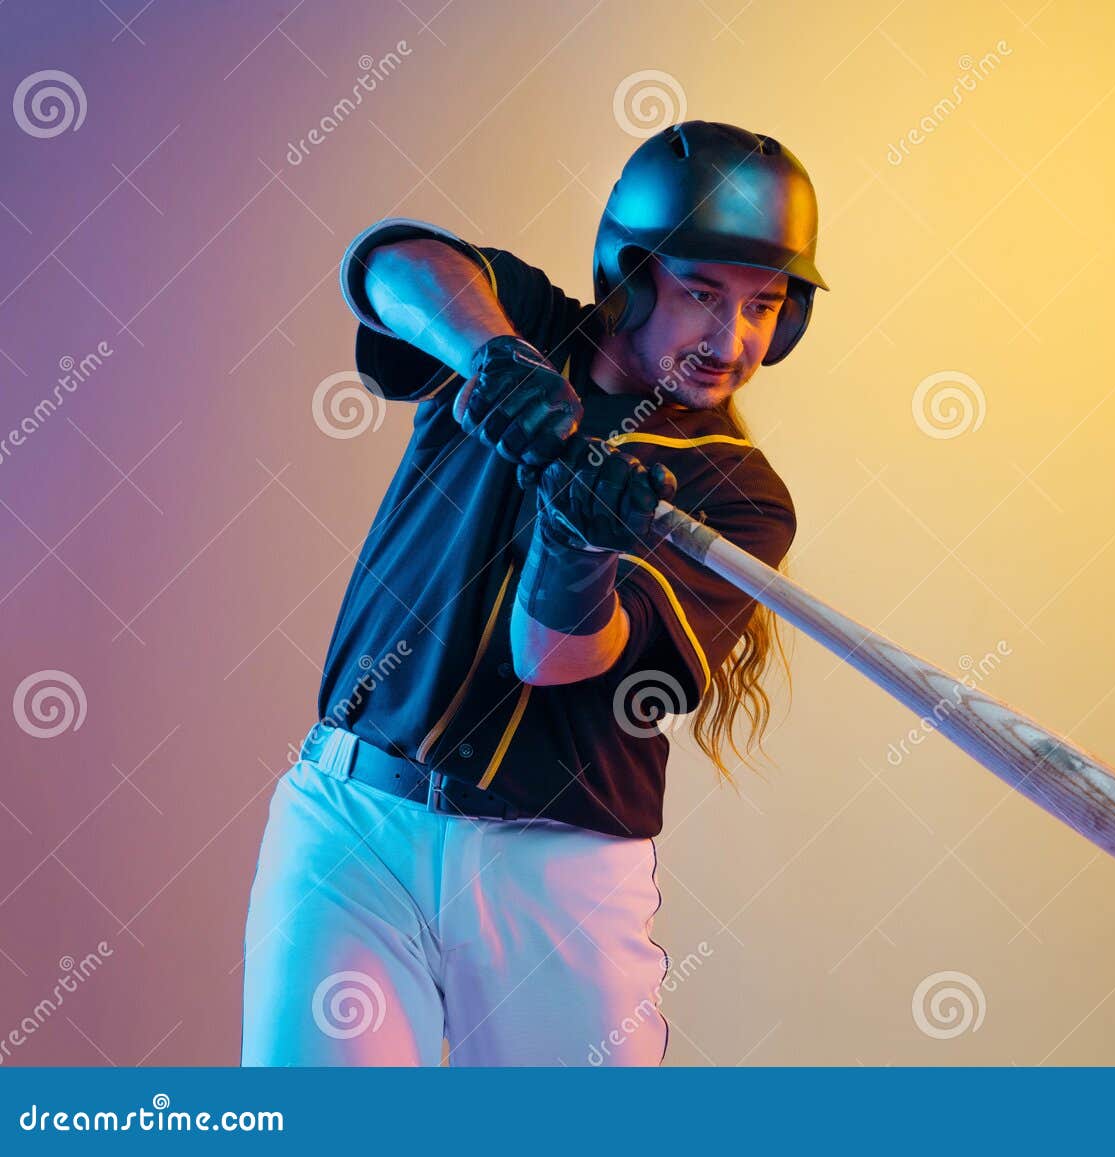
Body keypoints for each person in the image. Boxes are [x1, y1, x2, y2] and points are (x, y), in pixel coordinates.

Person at [239, 121, 828, 1066]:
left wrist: (576, 544)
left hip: (556, 872)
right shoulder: (522, 320)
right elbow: (387, 262)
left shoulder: (739, 497)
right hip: (352, 824)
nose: (731, 339)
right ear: (632, 276)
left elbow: (550, 657)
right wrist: (494, 357)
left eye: (763, 305)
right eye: (701, 293)